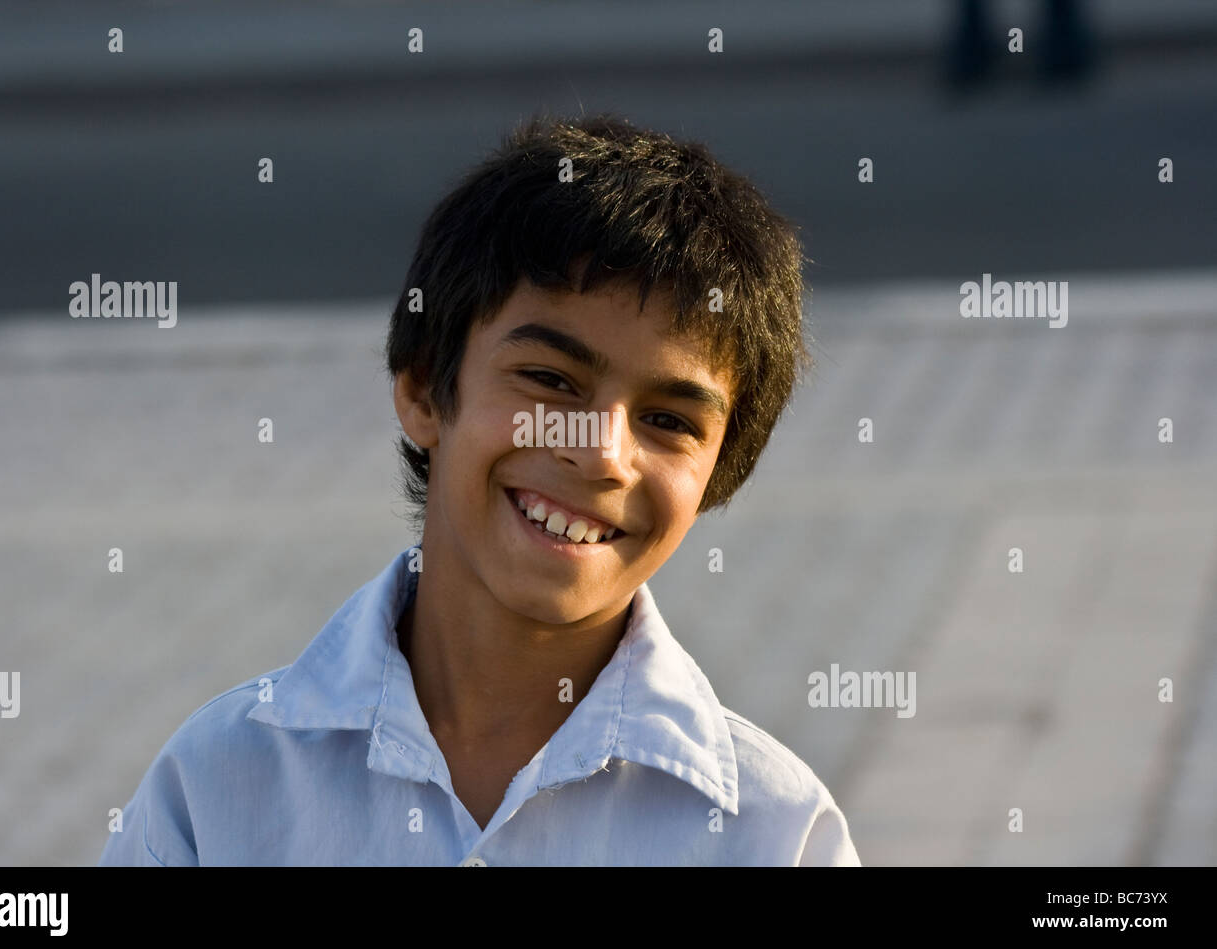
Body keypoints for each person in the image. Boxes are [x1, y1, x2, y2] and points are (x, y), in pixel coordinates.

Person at [99, 113, 860, 866]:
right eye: (550, 380)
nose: (599, 454)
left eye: (667, 420)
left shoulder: (775, 833)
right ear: (426, 387)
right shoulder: (219, 789)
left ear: (719, 477)